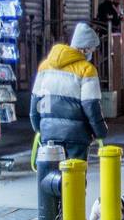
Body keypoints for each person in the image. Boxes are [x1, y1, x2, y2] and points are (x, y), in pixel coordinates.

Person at [30, 23, 108, 161]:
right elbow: (91, 106)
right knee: (74, 179)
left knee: (51, 178)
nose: (92, 53)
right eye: (92, 49)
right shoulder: (87, 70)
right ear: (85, 49)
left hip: (48, 134)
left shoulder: (45, 66)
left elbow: (36, 102)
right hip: (76, 136)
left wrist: (40, 127)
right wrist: (100, 132)